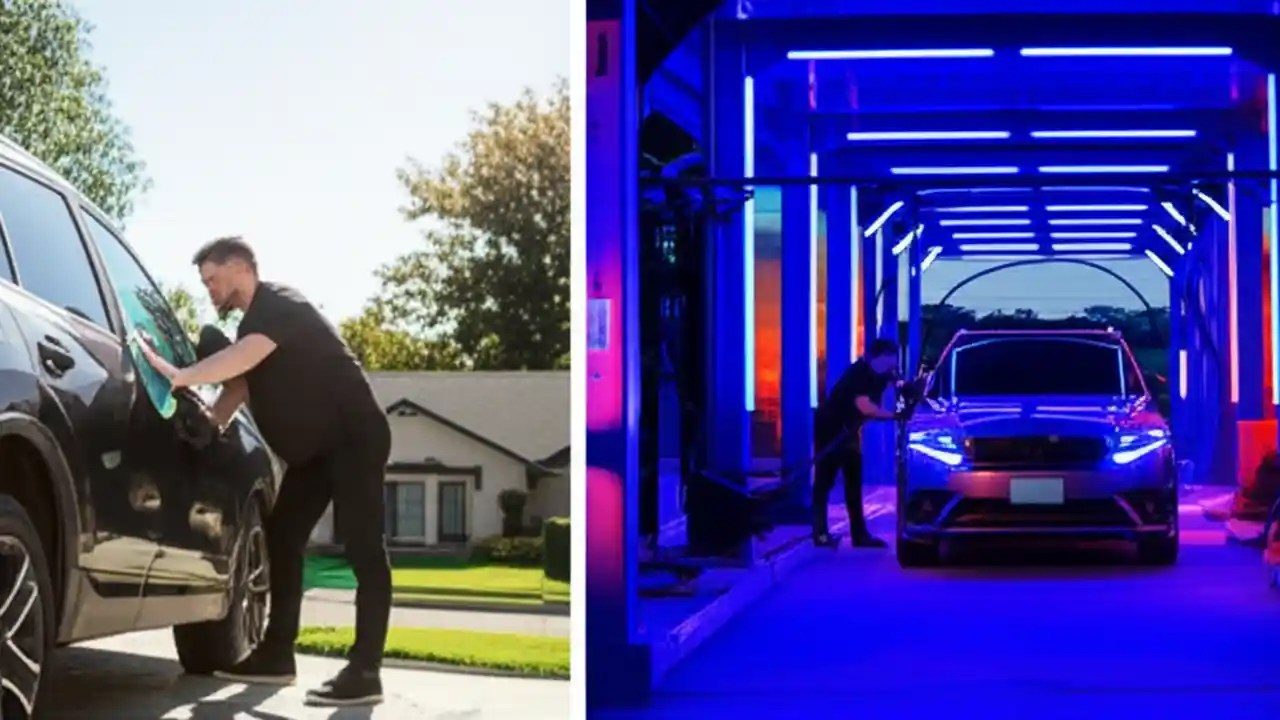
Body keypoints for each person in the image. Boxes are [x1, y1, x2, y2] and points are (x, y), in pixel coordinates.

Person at [137, 236, 392, 707]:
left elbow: (238, 361)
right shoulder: (252, 328)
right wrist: (212, 422)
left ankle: (365, 671)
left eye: (213, 279)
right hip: (314, 454)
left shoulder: (279, 305)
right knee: (282, 536)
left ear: (239, 267)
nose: (209, 291)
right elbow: (239, 385)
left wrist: (177, 374)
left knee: (364, 549)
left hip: (353, 438)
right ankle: (277, 654)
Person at [811, 338, 901, 549]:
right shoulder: (859, 373)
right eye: (889, 362)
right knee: (824, 481)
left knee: (853, 482)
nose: (891, 368)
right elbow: (865, 407)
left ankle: (859, 535)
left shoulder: (879, 375)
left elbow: (895, 385)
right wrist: (894, 415)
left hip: (849, 431)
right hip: (831, 429)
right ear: (876, 358)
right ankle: (820, 533)